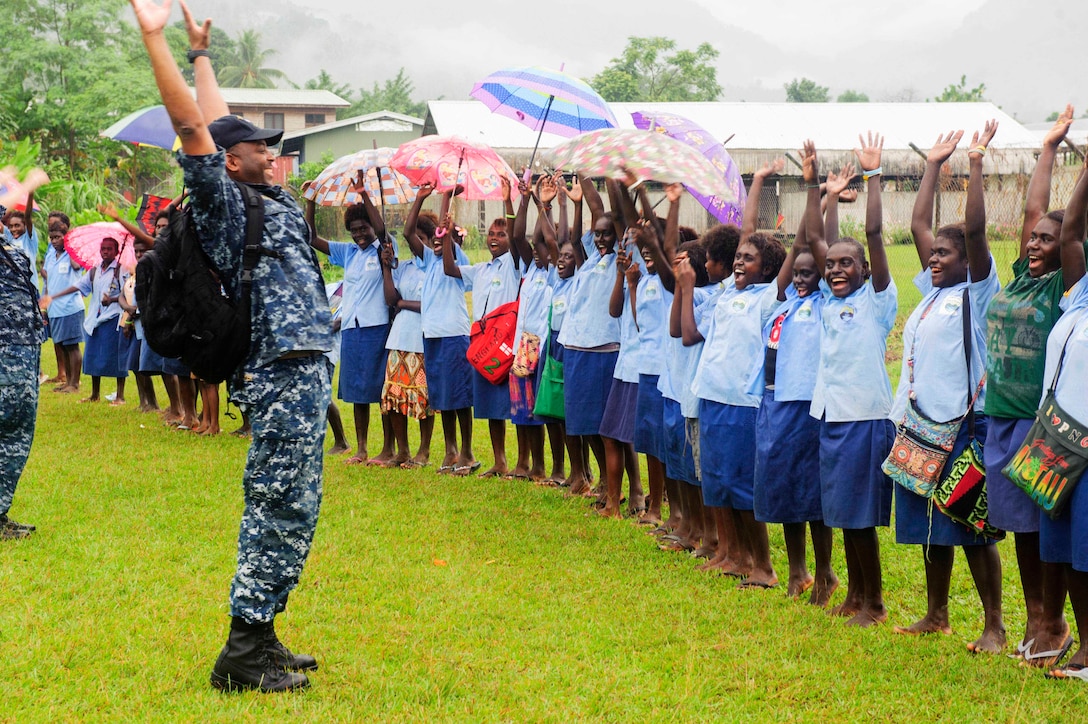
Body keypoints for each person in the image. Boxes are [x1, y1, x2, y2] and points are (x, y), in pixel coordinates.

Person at [131, 0, 333, 692]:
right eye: (261, 149)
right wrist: (156, 40)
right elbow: (197, 125)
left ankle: (264, 632)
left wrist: (201, 54)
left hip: (303, 375)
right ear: (231, 162)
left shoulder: (267, 200)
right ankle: (241, 654)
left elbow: (218, 118)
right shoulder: (219, 202)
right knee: (278, 504)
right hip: (277, 375)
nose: (272, 155)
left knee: (296, 505)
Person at [890, 124, 1006, 653]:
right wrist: (933, 164)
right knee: (932, 523)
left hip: (962, 425)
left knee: (972, 524)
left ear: (967, 261)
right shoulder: (933, 294)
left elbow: (977, 231)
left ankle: (994, 625)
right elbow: (918, 222)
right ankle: (936, 614)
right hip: (920, 425)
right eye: (931, 254)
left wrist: (975, 163)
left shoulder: (976, 296)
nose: (933, 259)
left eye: (944, 254)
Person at [984, 106, 1078, 666]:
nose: (1037, 243)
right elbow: (1032, 209)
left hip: (1037, 421)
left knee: (1043, 528)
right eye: (1034, 238)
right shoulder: (1023, 278)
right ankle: (1035, 615)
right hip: (1000, 414)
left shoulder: (1062, 289)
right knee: (1019, 526)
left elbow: (1060, 225)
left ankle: (1054, 620)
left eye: (1049, 240)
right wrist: (1046, 150)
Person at [808, 132, 897, 627]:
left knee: (861, 517)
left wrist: (871, 177)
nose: (837, 269)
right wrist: (827, 195)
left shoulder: (876, 301)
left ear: (865, 271)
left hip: (865, 419)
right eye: (831, 266)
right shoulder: (829, 300)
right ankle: (855, 595)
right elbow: (823, 241)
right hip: (832, 416)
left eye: (847, 264)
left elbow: (876, 235)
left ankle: (875, 603)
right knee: (842, 512)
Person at [749, 142, 840, 603]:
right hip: (773, 405)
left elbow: (818, 246)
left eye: (810, 274)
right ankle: (797, 571)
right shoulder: (780, 304)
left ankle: (825, 574)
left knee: (812, 495)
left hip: (808, 407)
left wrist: (815, 190)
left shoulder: (824, 305)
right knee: (782, 492)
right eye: (797, 273)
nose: (802, 278)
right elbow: (793, 262)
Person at [1037, 161, 1088, 681]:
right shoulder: (1080, 296)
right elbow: (1070, 231)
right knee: (1066, 551)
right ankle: (1083, 643)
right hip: (1056, 441)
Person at [305, 182, 396, 466]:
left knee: (379, 390)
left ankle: (389, 448)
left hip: (376, 327)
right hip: (352, 330)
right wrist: (311, 201)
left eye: (363, 228)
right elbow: (310, 238)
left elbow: (381, 231)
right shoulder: (349, 253)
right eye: (354, 230)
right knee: (357, 392)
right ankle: (361, 449)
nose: (359, 235)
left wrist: (366, 195)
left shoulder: (383, 248)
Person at [442, 207, 521, 478]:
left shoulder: (514, 265)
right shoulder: (481, 269)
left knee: (515, 403)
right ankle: (500, 461)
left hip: (506, 342)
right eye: (491, 233)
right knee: (489, 404)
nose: (495, 238)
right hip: (483, 346)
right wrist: (446, 235)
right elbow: (450, 268)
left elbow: (519, 235)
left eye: (502, 234)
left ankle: (524, 463)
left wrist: (511, 203)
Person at [404, 183, 475, 474]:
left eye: (442, 236)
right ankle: (450, 450)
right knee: (442, 396)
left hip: (454, 334)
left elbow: (448, 263)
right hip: (431, 334)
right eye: (434, 237)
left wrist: (446, 207)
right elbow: (409, 233)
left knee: (459, 395)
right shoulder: (428, 261)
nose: (436, 240)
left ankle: (467, 452)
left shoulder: (455, 258)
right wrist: (423, 197)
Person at [0, 166, 49, 540]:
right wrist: (26, 186)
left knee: (17, 433)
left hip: (25, 351)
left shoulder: (11, 249)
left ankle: (0, 512)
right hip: (5, 352)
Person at [379, 231, 435, 468]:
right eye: (416, 238)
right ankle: (402, 450)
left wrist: (404, 304)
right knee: (393, 395)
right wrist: (387, 268)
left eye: (423, 237)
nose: (417, 243)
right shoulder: (405, 267)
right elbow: (391, 299)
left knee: (424, 397)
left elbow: (432, 305)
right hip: (399, 337)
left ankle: (424, 450)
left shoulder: (436, 267)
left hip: (423, 339)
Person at [42, 216, 84, 394]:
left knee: (72, 346)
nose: (54, 241)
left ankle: (75, 384)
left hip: (70, 307)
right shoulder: (52, 256)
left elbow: (76, 267)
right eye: (52, 238)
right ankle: (67, 381)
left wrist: (69, 246)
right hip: (55, 309)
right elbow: (47, 278)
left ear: (65, 237)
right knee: (63, 345)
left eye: (58, 237)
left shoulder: (72, 253)